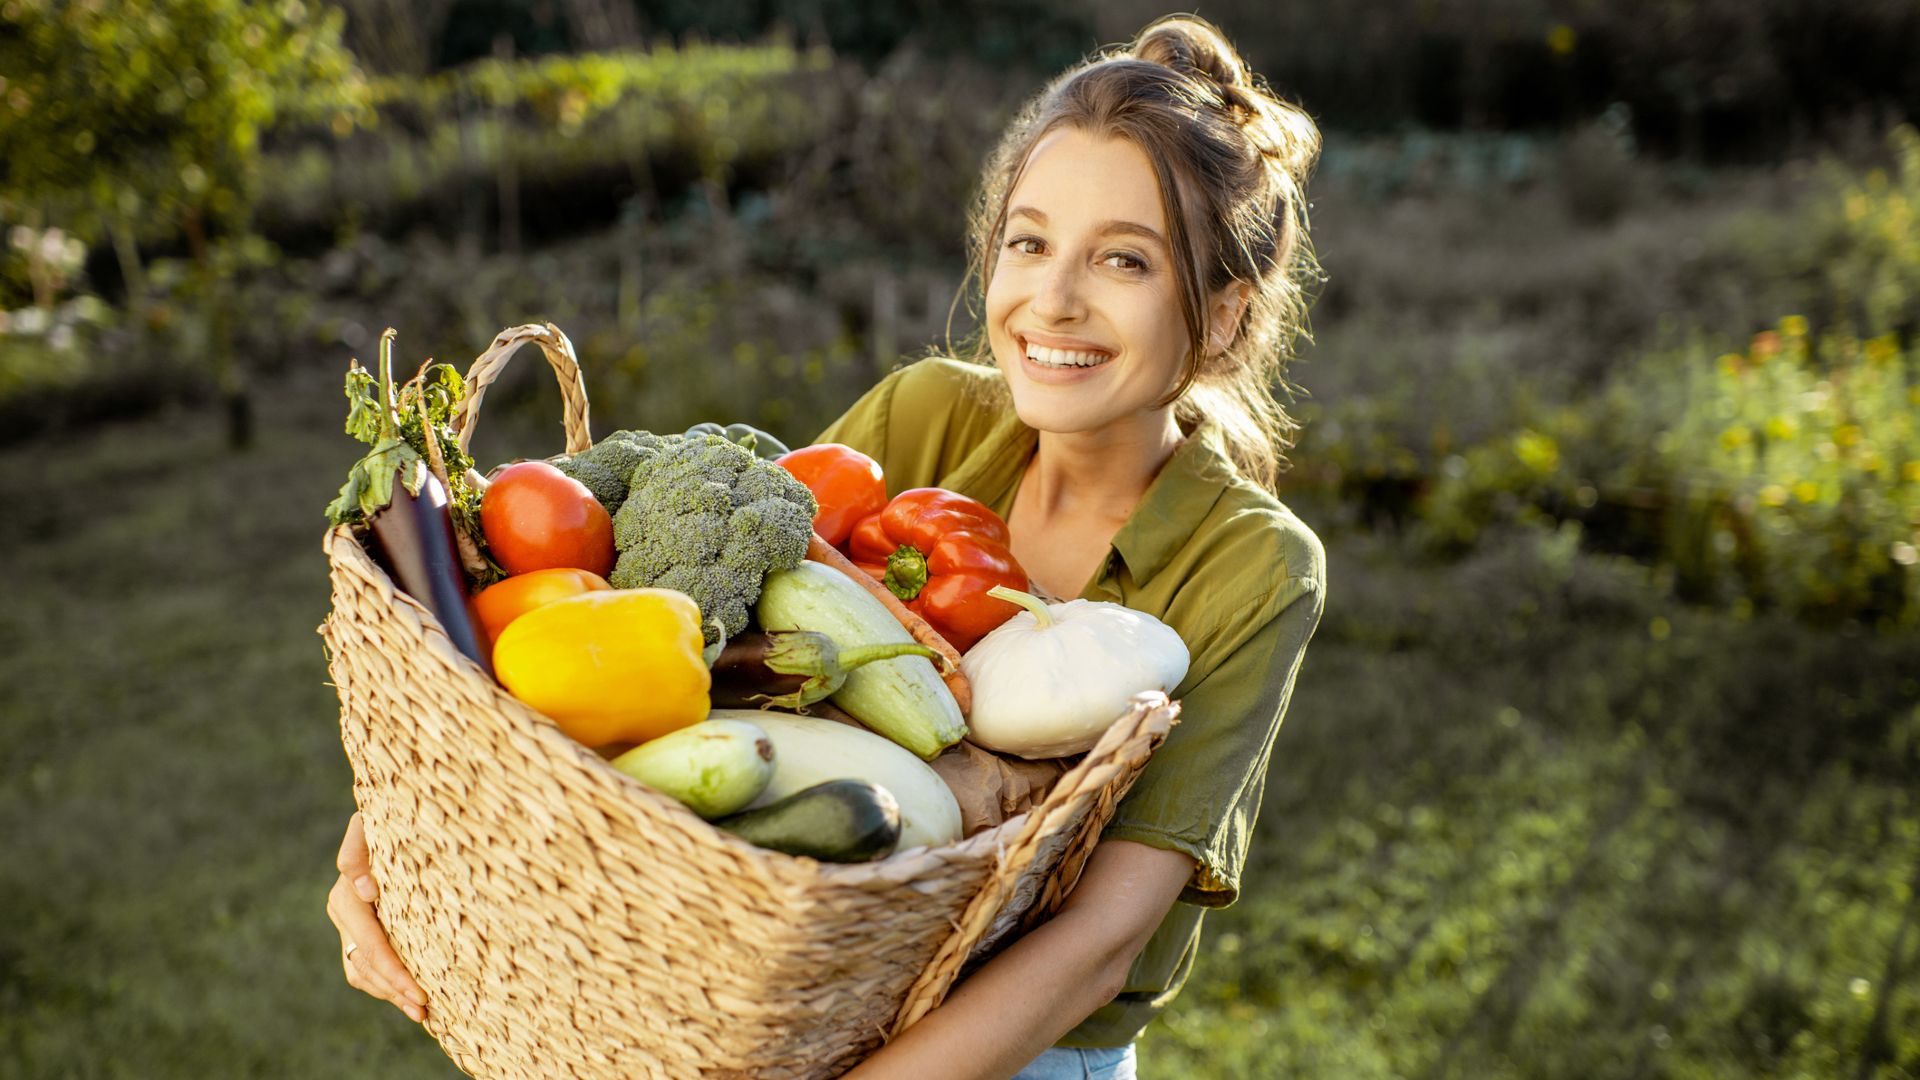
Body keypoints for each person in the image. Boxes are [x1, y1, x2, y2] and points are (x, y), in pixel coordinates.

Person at [326, 14, 1327, 1079]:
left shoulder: (1251, 564)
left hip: (1022, 1052)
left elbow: (1097, 948)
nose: (1054, 299)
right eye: (1029, 243)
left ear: (1221, 317)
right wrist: (394, 843)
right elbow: (658, 673)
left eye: (1123, 259)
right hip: (785, 1004)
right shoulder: (926, 416)